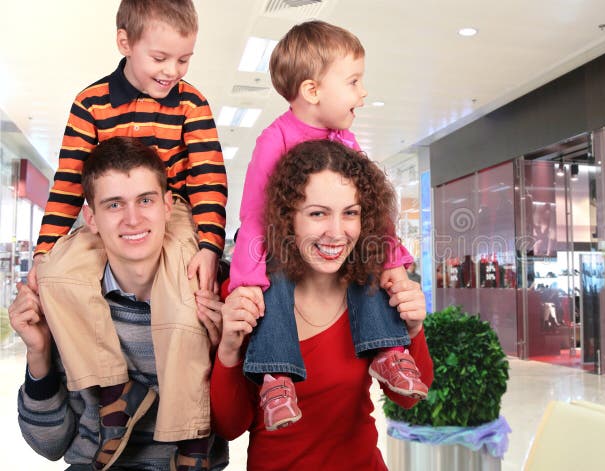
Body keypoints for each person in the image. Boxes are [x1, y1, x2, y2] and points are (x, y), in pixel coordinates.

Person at [26, 1, 226, 468]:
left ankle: (192, 432)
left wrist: (210, 245)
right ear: (124, 43)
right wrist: (42, 254)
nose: (172, 71)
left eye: (184, 59)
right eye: (160, 58)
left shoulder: (191, 103)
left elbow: (209, 178)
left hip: (172, 211)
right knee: (56, 274)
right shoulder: (90, 102)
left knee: (184, 294)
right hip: (107, 210)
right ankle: (115, 390)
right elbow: (68, 184)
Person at [227, 20, 422, 431]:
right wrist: (246, 278)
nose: (363, 93)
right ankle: (276, 378)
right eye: (353, 81)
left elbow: (373, 214)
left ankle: (388, 352)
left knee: (365, 261)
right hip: (282, 252)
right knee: (274, 284)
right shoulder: (274, 138)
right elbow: (255, 215)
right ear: (312, 90)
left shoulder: (346, 143)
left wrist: (392, 261)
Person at [212, 140, 433, 470]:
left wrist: (413, 329)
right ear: (288, 218)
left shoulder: (373, 293)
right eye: (317, 213)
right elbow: (230, 427)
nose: (335, 232)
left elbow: (408, 399)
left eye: (350, 213)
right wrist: (228, 350)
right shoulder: (249, 296)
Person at [12, 137, 227, 471]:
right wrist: (38, 353)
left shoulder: (214, 292)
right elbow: (49, 445)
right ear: (91, 219)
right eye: (114, 205)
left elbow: (237, 426)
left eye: (145, 200)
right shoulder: (65, 302)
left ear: (168, 207)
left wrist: (226, 356)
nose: (132, 219)